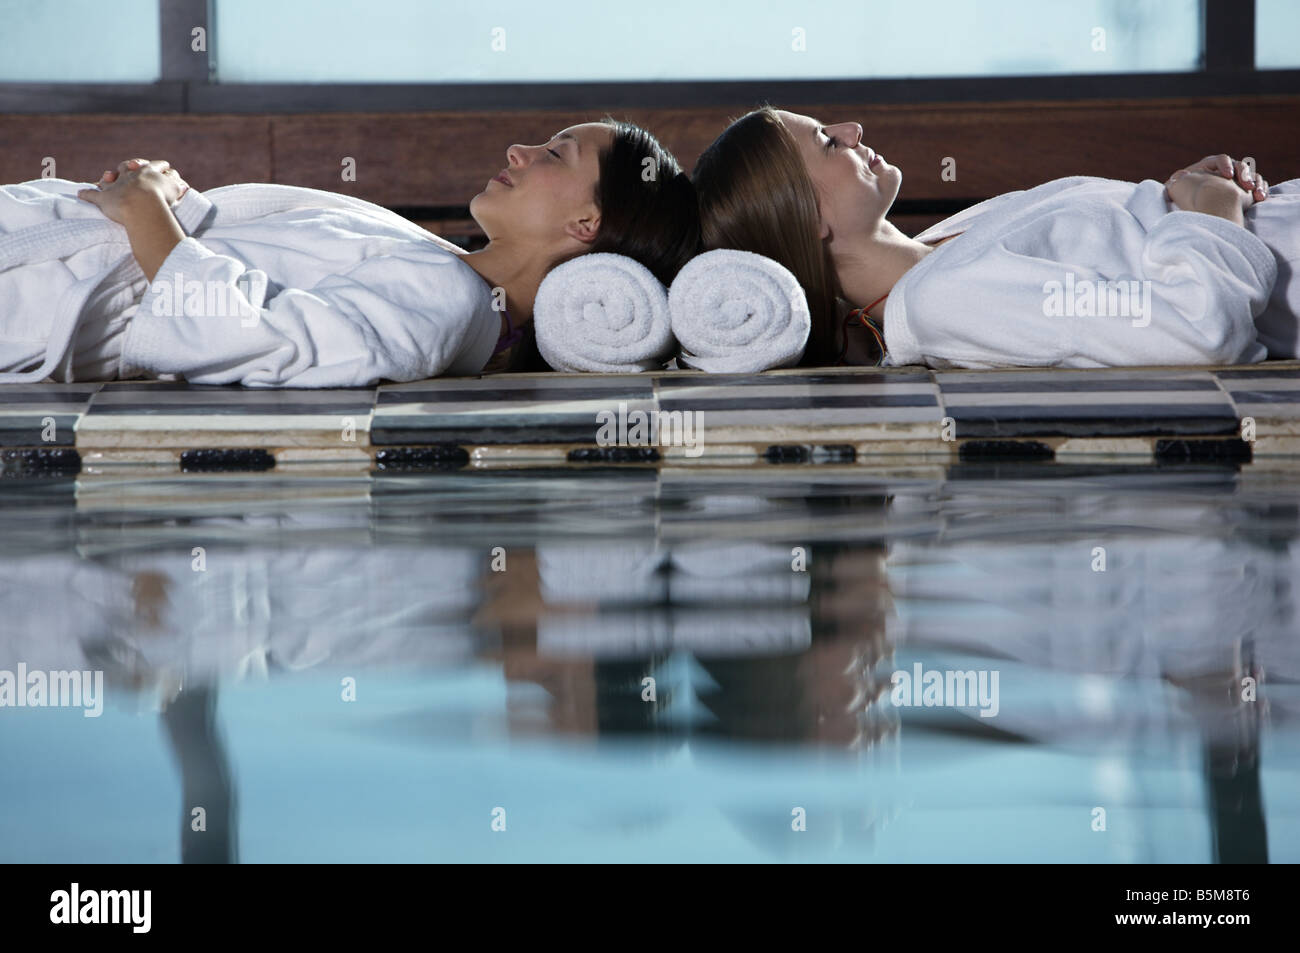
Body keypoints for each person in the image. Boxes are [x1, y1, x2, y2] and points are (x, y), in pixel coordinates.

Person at [0, 119, 700, 386]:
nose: (519, 149)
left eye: (555, 153)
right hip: (50, 253)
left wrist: (151, 213)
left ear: (586, 219)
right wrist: (166, 200)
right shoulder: (444, 273)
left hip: (37, 301)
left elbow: (264, 341)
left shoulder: (450, 306)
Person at [692, 106, 1298, 370]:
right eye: (827, 141)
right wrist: (1214, 207)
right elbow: (1200, 330)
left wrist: (1193, 191)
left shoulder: (949, 245)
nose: (852, 130)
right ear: (807, 220)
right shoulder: (945, 300)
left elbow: (1136, 243)